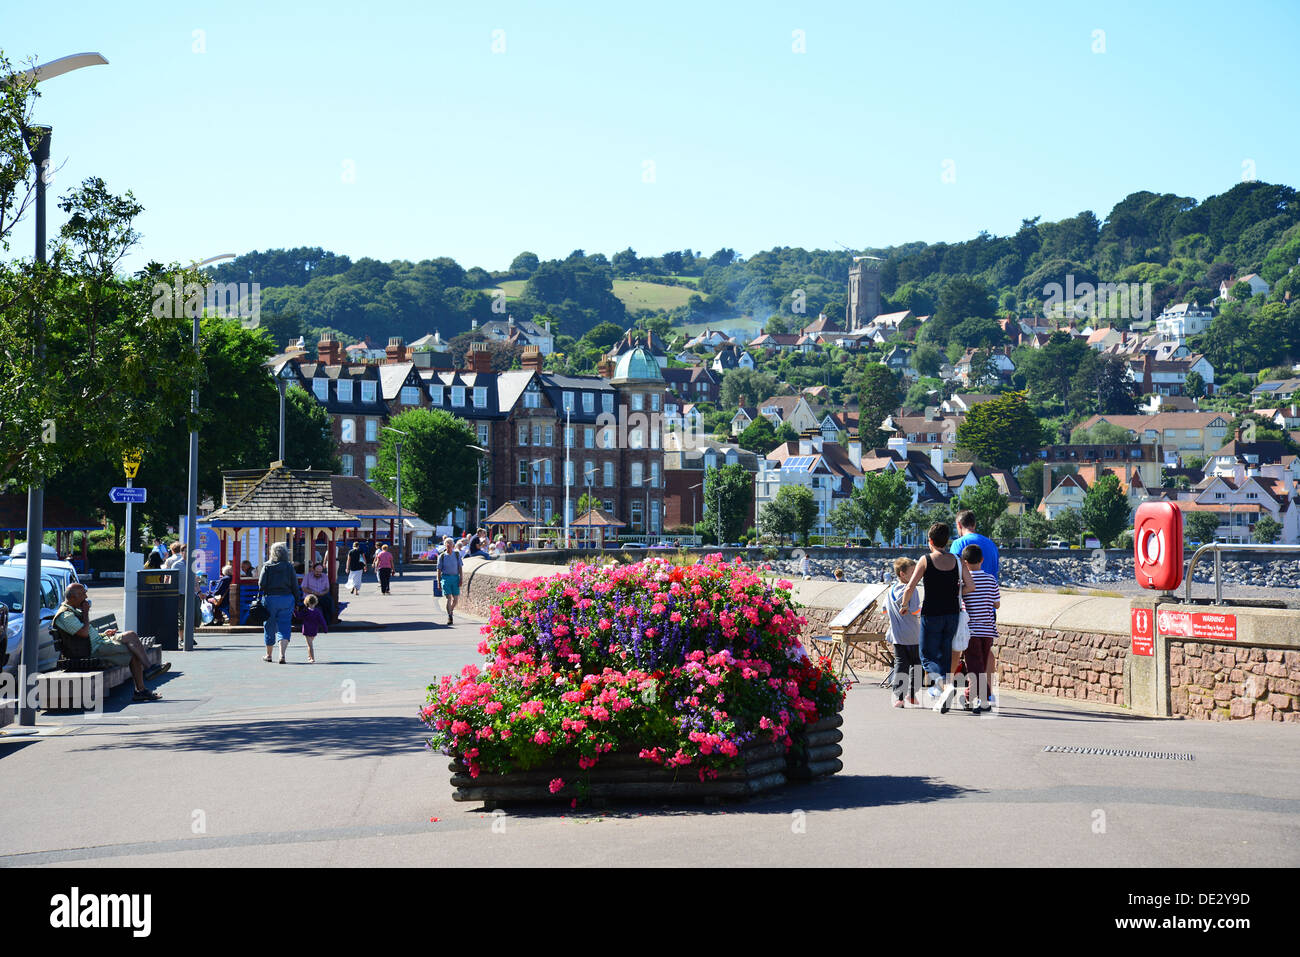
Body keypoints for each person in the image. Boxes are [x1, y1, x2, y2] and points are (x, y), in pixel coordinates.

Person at [901, 522, 975, 713]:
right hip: (952, 613)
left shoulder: (926, 560)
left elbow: (910, 586)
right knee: (944, 654)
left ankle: (944, 685)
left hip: (931, 613)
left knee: (926, 655)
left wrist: (904, 605)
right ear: (947, 541)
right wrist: (955, 591)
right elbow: (971, 586)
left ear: (931, 541)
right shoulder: (958, 560)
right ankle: (944, 694)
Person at [54, 583, 167, 702]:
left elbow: (86, 633)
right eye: (82, 594)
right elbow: (84, 634)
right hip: (92, 649)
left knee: (131, 635)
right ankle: (141, 689)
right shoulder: (65, 615)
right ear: (72, 598)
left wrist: (103, 633)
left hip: (99, 641)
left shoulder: (73, 611)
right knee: (134, 652)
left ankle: (149, 669)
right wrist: (86, 613)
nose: (86, 597)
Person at [950, 509, 1000, 703]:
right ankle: (988, 691)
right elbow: (994, 574)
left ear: (959, 526)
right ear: (975, 524)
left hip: (968, 610)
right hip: (988, 610)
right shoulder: (991, 545)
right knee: (986, 652)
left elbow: (953, 574)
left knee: (961, 651)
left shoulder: (958, 544)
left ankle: (950, 688)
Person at [960, 543, 1001, 714]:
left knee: (974, 665)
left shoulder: (964, 582)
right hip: (987, 630)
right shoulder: (991, 579)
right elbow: (996, 604)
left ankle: (982, 699)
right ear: (982, 560)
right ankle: (971, 696)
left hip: (971, 630)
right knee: (981, 664)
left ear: (964, 562)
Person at [885, 557, 922, 708]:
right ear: (903, 574)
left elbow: (884, 610)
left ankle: (899, 697)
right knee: (917, 665)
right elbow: (915, 611)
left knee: (901, 665)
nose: (916, 575)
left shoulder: (890, 590)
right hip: (913, 634)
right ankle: (912, 695)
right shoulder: (912, 590)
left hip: (897, 635)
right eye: (913, 572)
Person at [258, 542, 302, 663]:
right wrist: (298, 602)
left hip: (270, 599)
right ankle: (282, 655)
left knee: (269, 625)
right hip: (287, 598)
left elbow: (261, 584)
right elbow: (295, 585)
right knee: (284, 626)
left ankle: (269, 655)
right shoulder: (289, 567)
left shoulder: (267, 566)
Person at [437, 536, 463, 625]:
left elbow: (460, 567)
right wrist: (439, 582)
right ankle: (449, 616)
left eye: (450, 544)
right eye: (447, 545)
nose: (449, 546)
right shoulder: (442, 556)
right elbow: (439, 570)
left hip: (455, 578)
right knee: (448, 598)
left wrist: (461, 578)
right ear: (445, 546)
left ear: (453, 545)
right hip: (445, 578)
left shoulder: (457, 554)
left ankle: (451, 611)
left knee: (455, 599)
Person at [300, 594, 328, 663]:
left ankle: (311, 657)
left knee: (310, 645)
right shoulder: (317, 611)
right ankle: (310, 657)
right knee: (310, 644)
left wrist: (294, 611)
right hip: (314, 630)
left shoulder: (305, 611)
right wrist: (325, 628)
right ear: (315, 602)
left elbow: (299, 616)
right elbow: (322, 620)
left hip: (307, 630)